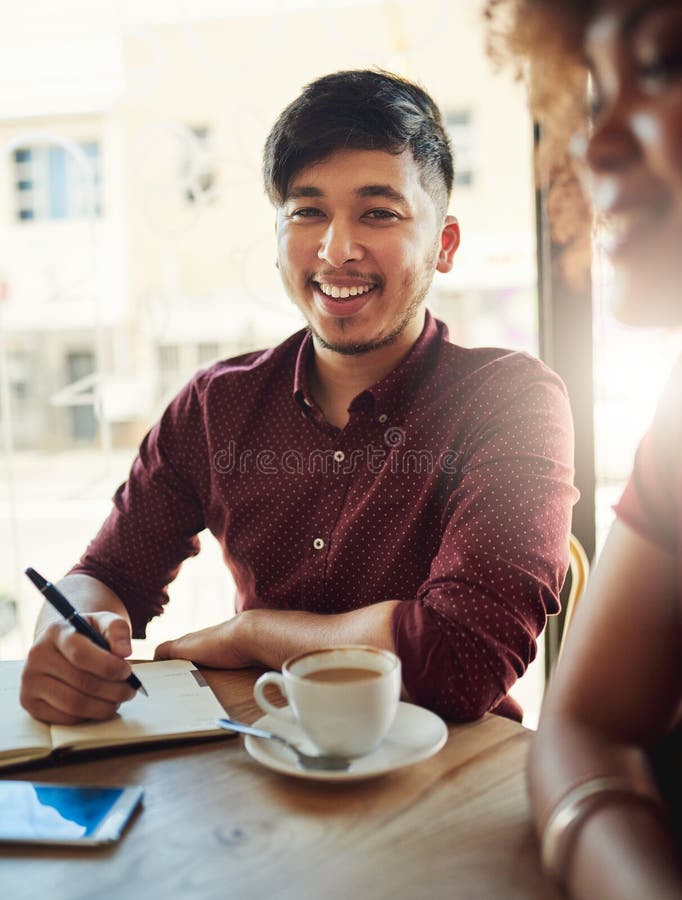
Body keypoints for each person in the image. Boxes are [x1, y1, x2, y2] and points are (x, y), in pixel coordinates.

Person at [20, 69, 576, 728]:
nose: (336, 249)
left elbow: (457, 659)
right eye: (307, 211)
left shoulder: (509, 400)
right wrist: (65, 631)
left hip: (444, 780)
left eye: (379, 212)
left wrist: (254, 636)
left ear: (445, 244)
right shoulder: (215, 407)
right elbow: (107, 573)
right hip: (262, 765)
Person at [484, 1, 682, 897]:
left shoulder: (508, 403)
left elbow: (457, 650)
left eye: (666, 66)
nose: (594, 148)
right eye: (600, 93)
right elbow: (585, 724)